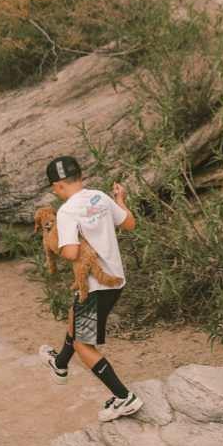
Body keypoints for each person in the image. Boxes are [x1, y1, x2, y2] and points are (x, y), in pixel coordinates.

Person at [38, 155, 143, 421]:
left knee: (85, 346)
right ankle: (60, 364)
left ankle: (123, 397)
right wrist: (119, 199)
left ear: (56, 186)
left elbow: (71, 253)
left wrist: (55, 242)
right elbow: (129, 222)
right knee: (76, 317)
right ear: (81, 176)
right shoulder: (99, 196)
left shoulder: (66, 211)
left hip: (94, 286)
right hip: (115, 279)